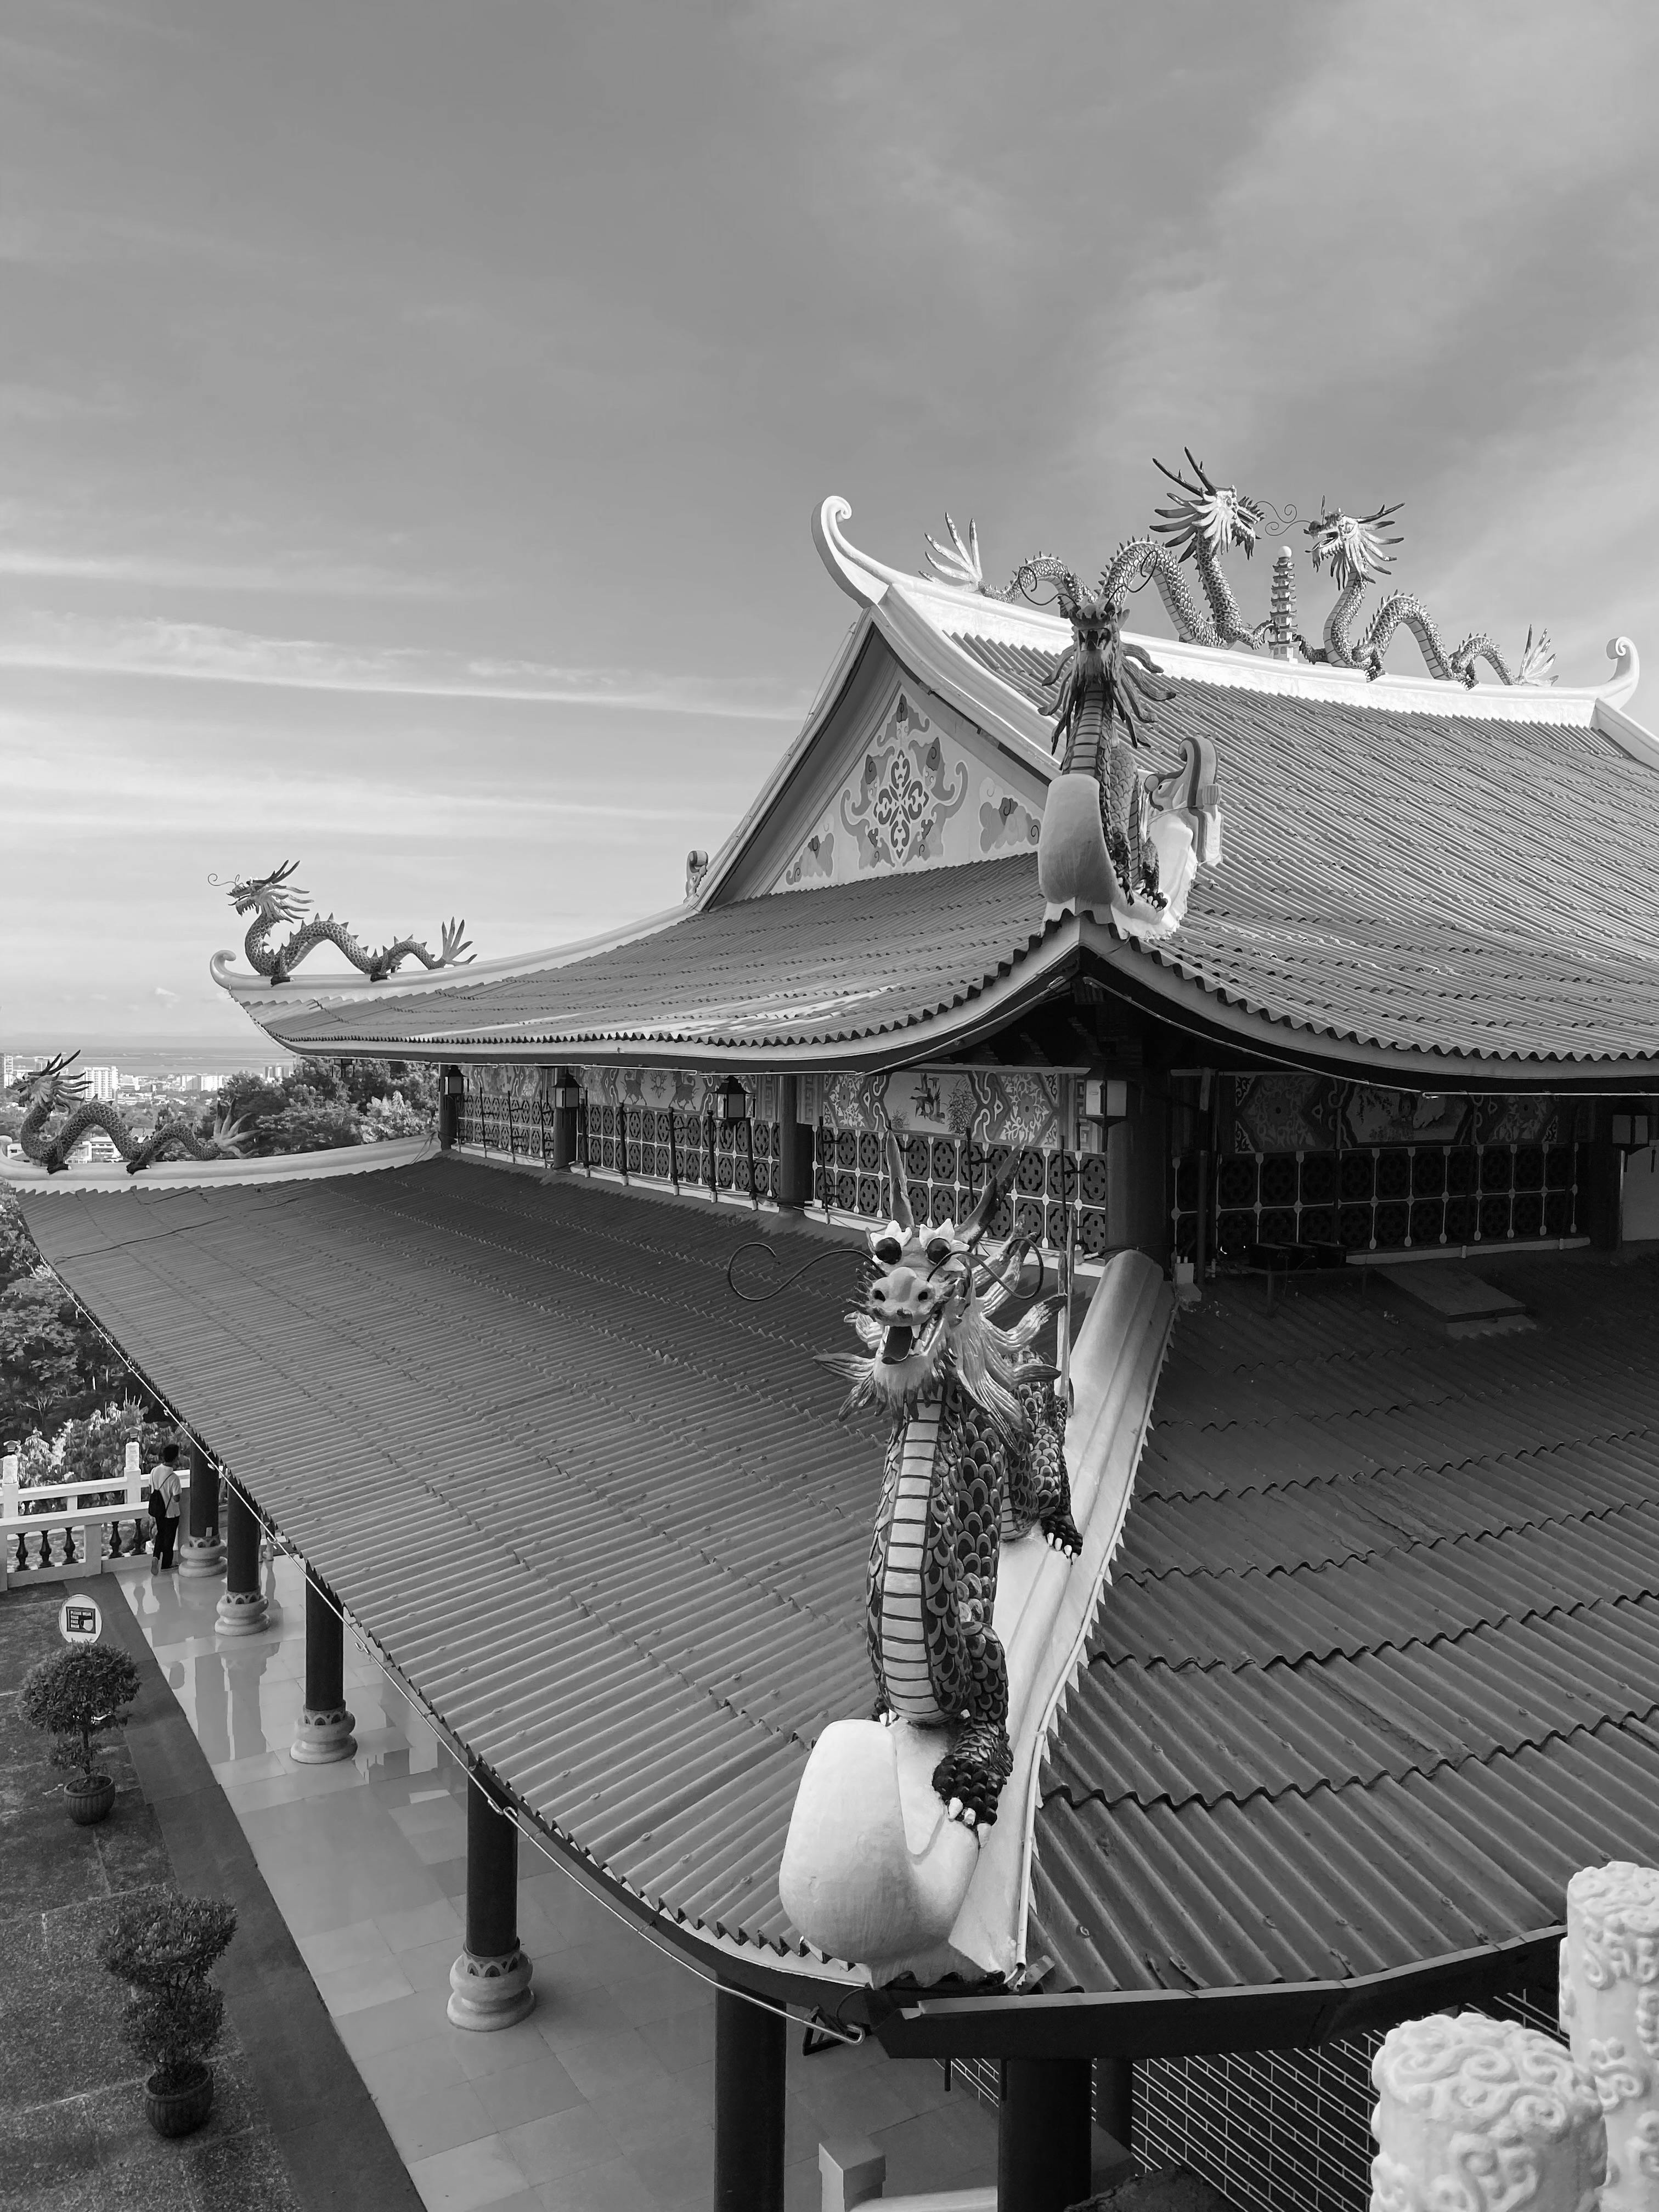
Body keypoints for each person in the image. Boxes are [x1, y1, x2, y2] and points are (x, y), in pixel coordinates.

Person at [149, 1442, 183, 1571]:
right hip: (171, 1513)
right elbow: (177, 1498)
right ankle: (166, 1564)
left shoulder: (154, 1471)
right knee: (169, 1538)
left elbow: (151, 1488)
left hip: (158, 1510)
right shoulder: (173, 1478)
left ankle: (156, 1556)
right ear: (175, 1458)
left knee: (161, 1534)